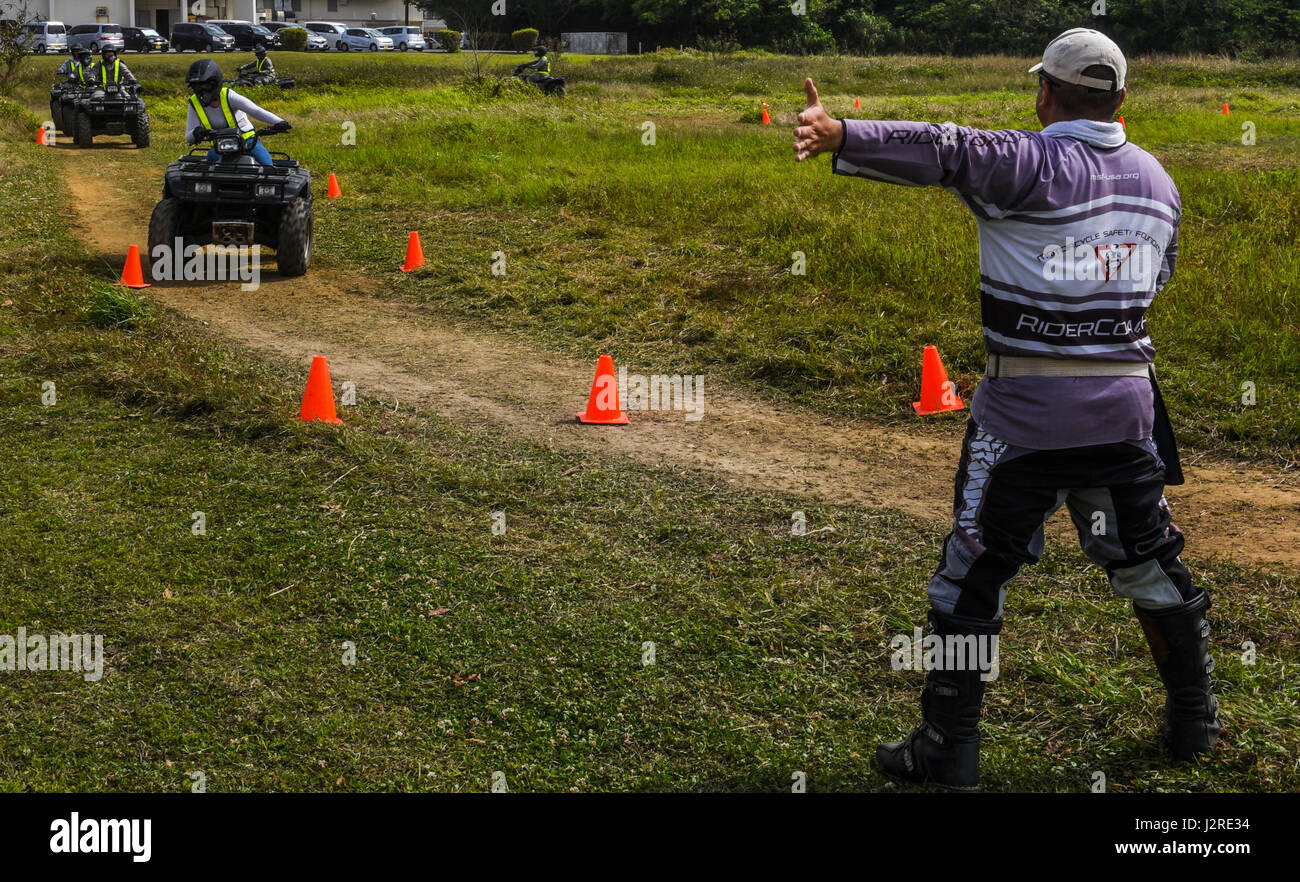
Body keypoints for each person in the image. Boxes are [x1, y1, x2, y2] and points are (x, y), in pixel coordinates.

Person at [794, 28, 1222, 790]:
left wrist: (842, 135)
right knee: (1151, 563)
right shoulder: (1160, 183)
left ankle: (947, 749)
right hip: (1127, 414)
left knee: (970, 579)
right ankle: (1195, 721)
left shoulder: (1027, 162)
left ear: (1045, 95)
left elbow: (942, 148)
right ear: (1122, 99)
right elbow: (1157, 285)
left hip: (1024, 417)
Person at [184, 58, 289, 167]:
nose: (201, 91)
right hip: (220, 148)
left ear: (215, 82)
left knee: (268, 168)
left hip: (248, 143)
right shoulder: (194, 103)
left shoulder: (229, 96)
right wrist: (197, 132)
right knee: (205, 173)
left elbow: (256, 111)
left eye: (205, 86)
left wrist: (279, 122)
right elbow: (188, 136)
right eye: (196, 87)